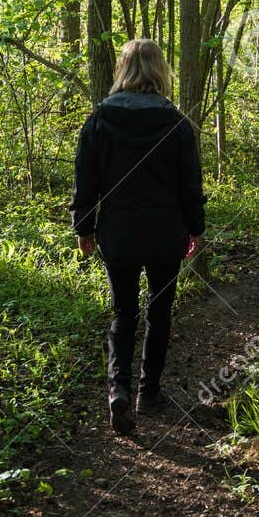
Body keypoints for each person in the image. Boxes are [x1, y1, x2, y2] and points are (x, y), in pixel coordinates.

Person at [70, 38, 205, 437]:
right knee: (159, 311)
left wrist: (85, 226)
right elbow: (189, 184)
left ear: (122, 69)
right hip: (166, 231)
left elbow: (85, 178)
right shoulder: (176, 123)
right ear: (159, 69)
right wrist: (195, 228)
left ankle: (120, 391)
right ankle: (150, 393)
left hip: (119, 232)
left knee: (123, 311)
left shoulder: (99, 119)